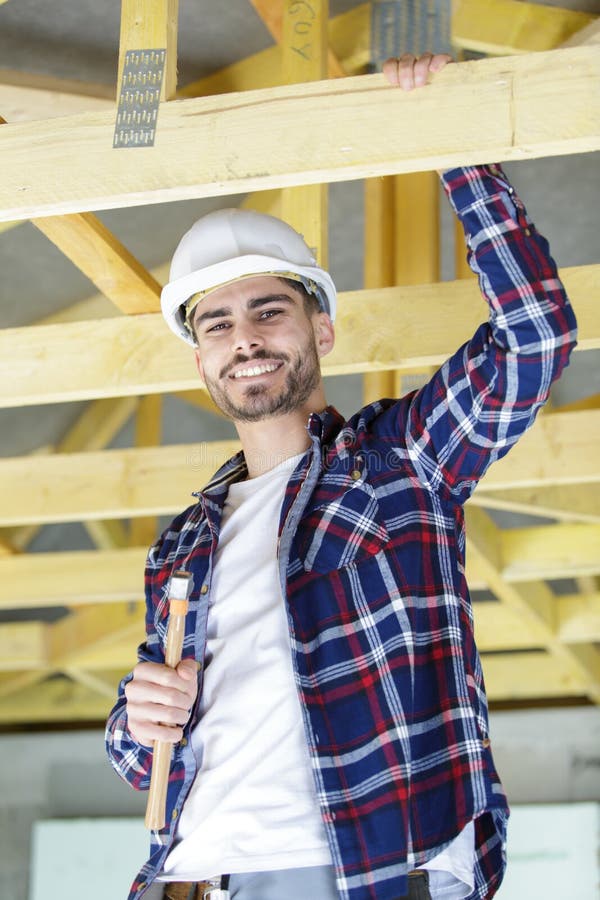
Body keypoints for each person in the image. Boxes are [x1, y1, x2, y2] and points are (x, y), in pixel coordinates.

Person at [106, 52, 577, 900]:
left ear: (321, 332)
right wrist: (134, 721)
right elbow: (145, 759)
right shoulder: (182, 545)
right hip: (191, 880)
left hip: (360, 869)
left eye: (268, 311)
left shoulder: (401, 465)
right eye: (217, 323)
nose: (244, 338)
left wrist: (457, 140)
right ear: (203, 359)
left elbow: (535, 339)